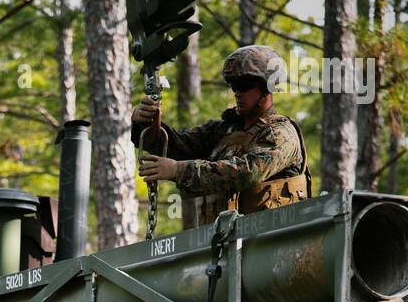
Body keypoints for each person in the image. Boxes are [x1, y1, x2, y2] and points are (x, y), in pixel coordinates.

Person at [132, 45, 311, 228]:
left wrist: (179, 170)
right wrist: (145, 122)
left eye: (244, 85)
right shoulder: (224, 130)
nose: (237, 93)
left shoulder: (281, 134)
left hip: (272, 240)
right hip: (224, 242)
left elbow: (247, 172)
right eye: (234, 86)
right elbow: (177, 145)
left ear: (268, 87)